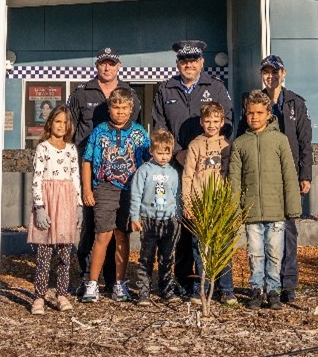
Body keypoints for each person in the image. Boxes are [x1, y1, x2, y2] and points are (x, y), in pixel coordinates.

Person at [151, 38, 233, 292]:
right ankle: (186, 282)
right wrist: (177, 153)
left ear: (202, 62)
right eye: (183, 60)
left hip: (209, 171)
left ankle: (217, 285)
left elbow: (227, 123)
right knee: (182, 225)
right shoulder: (166, 89)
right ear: (177, 63)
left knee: (213, 228)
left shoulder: (216, 87)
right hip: (176, 168)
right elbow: (159, 125)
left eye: (193, 60)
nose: (188, 64)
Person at [66, 47, 134, 292]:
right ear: (97, 66)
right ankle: (88, 278)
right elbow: (69, 127)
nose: (107, 68)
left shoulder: (128, 93)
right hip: (89, 167)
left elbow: (131, 130)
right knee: (90, 226)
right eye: (103, 63)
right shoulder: (81, 93)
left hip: (121, 177)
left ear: (118, 66)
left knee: (118, 229)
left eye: (111, 63)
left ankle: (112, 280)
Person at [228, 89, 300, 310]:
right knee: (255, 253)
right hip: (251, 213)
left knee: (274, 252)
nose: (255, 117)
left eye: (259, 112)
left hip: (276, 211)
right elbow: (234, 179)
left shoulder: (280, 141)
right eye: (250, 113)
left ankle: (273, 290)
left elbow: (289, 174)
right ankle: (256, 289)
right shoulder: (240, 144)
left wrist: (293, 206)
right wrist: (234, 209)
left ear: (269, 114)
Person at [79, 86, 149, 304]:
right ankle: (92, 283)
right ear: (109, 109)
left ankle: (120, 283)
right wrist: (87, 189)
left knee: (122, 235)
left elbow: (148, 162)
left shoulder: (139, 133)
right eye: (116, 107)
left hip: (131, 189)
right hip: (105, 187)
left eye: (124, 108)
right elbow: (87, 160)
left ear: (131, 110)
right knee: (103, 234)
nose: (120, 112)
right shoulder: (100, 131)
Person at [252, 54, 312, 303]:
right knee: (260, 233)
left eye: (275, 72)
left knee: (287, 231)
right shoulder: (255, 102)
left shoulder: (295, 103)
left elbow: (305, 142)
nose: (271, 76)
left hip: (288, 178)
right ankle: (264, 284)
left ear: (283, 74)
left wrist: (305, 174)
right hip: (263, 177)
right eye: (266, 72)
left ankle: (287, 284)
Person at [27, 106, 82, 315]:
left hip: (66, 202)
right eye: (58, 121)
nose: (61, 126)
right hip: (49, 202)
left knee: (65, 255)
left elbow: (75, 177)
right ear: (50, 123)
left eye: (65, 122)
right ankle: (39, 297)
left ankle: (61, 294)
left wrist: (78, 206)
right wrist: (39, 207)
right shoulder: (43, 148)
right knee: (44, 255)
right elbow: (37, 180)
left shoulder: (70, 149)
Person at [182, 100, 235, 305]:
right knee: (200, 248)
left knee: (223, 247)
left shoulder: (227, 146)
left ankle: (226, 289)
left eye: (215, 121)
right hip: (200, 204)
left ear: (222, 122)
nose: (211, 125)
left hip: (220, 203)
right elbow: (187, 176)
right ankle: (201, 287)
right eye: (207, 121)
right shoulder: (195, 145)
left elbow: (231, 175)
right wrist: (188, 203)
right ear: (201, 122)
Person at [128, 129, 183, 305]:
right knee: (146, 257)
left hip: (169, 219)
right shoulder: (144, 170)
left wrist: (178, 216)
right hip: (149, 218)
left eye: (167, 153)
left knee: (167, 257)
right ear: (151, 151)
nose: (164, 157)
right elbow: (136, 194)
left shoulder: (173, 173)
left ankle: (166, 289)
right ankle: (144, 291)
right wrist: (135, 216)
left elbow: (176, 195)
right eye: (160, 153)